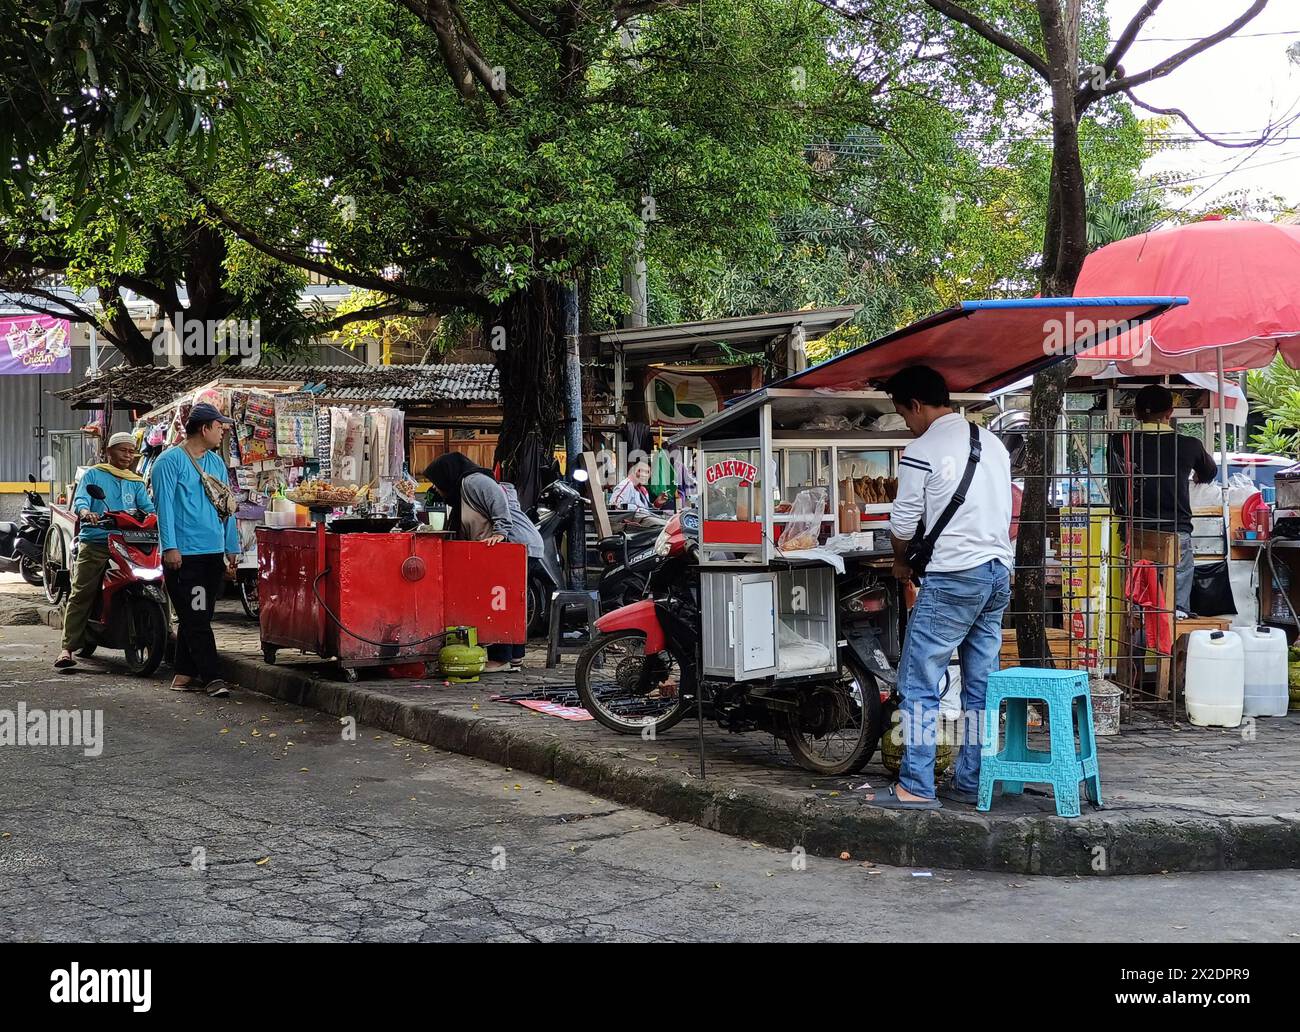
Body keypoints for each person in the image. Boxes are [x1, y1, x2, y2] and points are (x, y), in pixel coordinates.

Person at [867, 365, 1013, 810]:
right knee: (979, 685)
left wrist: (898, 561)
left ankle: (916, 785)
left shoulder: (921, 449)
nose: (906, 423)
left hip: (954, 577)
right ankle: (972, 781)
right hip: (998, 574)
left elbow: (902, 523)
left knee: (919, 682)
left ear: (915, 405)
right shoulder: (993, 443)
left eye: (903, 414)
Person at [150, 403, 240, 698]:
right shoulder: (168, 462)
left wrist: (231, 547)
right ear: (204, 428)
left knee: (198, 615)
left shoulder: (216, 463)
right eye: (219, 426)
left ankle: (183, 673)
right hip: (184, 556)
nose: (223, 430)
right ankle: (213, 677)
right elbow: (163, 508)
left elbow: (227, 507)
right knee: (197, 616)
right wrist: (170, 548)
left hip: (212, 553)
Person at [424, 452, 543, 673]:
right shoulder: (462, 489)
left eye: (437, 483)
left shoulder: (473, 481)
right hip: (515, 547)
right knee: (510, 603)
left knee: (500, 602)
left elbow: (496, 498)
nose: (437, 490)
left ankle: (502, 658)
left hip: (515, 546)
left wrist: (501, 530)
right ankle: (514, 658)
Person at [1107, 383, 1217, 619]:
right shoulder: (1189, 445)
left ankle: (1137, 628)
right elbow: (1209, 473)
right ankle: (1176, 621)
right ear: (1170, 413)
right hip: (1176, 528)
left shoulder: (1121, 441)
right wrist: (1193, 472)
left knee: (1139, 595)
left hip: (1136, 528)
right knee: (1175, 604)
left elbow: (1114, 480)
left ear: (1136, 413)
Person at [55, 433, 155, 670]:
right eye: (123, 450)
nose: (128, 456)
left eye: (132, 452)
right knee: (82, 592)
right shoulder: (95, 474)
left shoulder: (136, 481)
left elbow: (148, 508)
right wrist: (85, 513)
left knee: (159, 579)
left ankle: (165, 631)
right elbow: (81, 501)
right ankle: (67, 648)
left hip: (130, 541)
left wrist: (155, 517)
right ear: (109, 452)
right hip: (97, 540)